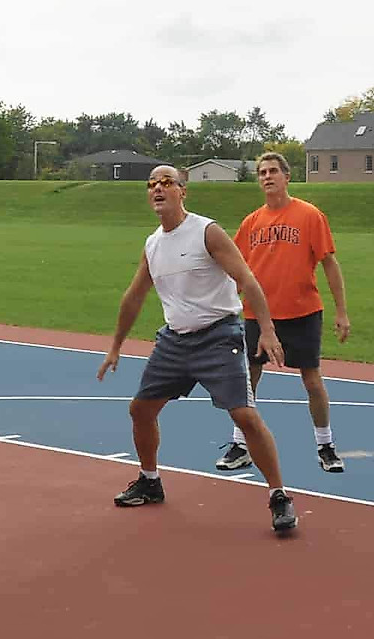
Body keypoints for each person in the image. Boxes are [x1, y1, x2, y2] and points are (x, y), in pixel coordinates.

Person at [96, 165, 298, 534]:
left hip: (218, 336)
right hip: (175, 340)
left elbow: (247, 279)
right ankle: (150, 481)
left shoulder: (207, 232)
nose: (158, 189)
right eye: (152, 184)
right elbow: (134, 296)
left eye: (166, 183)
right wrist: (115, 346)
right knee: (140, 410)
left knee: (244, 416)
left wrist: (267, 331)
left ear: (183, 191)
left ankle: (279, 495)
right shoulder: (153, 244)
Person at [216, 151, 350, 475]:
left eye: (273, 171)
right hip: (258, 314)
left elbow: (329, 263)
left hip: (302, 312)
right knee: (248, 378)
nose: (267, 177)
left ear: (286, 177)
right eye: (262, 172)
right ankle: (240, 444)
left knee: (312, 380)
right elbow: (236, 269)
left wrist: (341, 311)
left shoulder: (309, 215)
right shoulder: (251, 222)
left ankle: (325, 445)